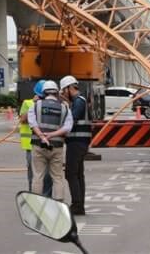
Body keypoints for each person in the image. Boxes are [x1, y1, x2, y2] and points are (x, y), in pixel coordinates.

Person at [28, 79, 72, 202]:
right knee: (57, 177)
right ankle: (59, 204)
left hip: (38, 146)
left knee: (37, 176)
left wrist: (43, 137)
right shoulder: (64, 108)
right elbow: (67, 127)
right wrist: (52, 135)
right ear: (57, 93)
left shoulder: (35, 106)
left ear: (43, 93)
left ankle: (36, 204)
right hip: (57, 147)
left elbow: (32, 124)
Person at [59, 75, 91, 216]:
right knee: (78, 174)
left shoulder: (79, 101)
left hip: (77, 143)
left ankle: (77, 205)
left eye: (64, 91)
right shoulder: (79, 101)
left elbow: (71, 119)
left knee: (71, 173)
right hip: (79, 143)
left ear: (69, 88)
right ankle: (79, 205)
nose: (63, 94)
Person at [18, 81, 45, 191]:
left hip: (46, 144)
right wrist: (33, 105)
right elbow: (23, 120)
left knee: (46, 174)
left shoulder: (51, 104)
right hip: (31, 144)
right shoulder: (28, 103)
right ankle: (32, 194)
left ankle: (45, 196)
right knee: (32, 172)